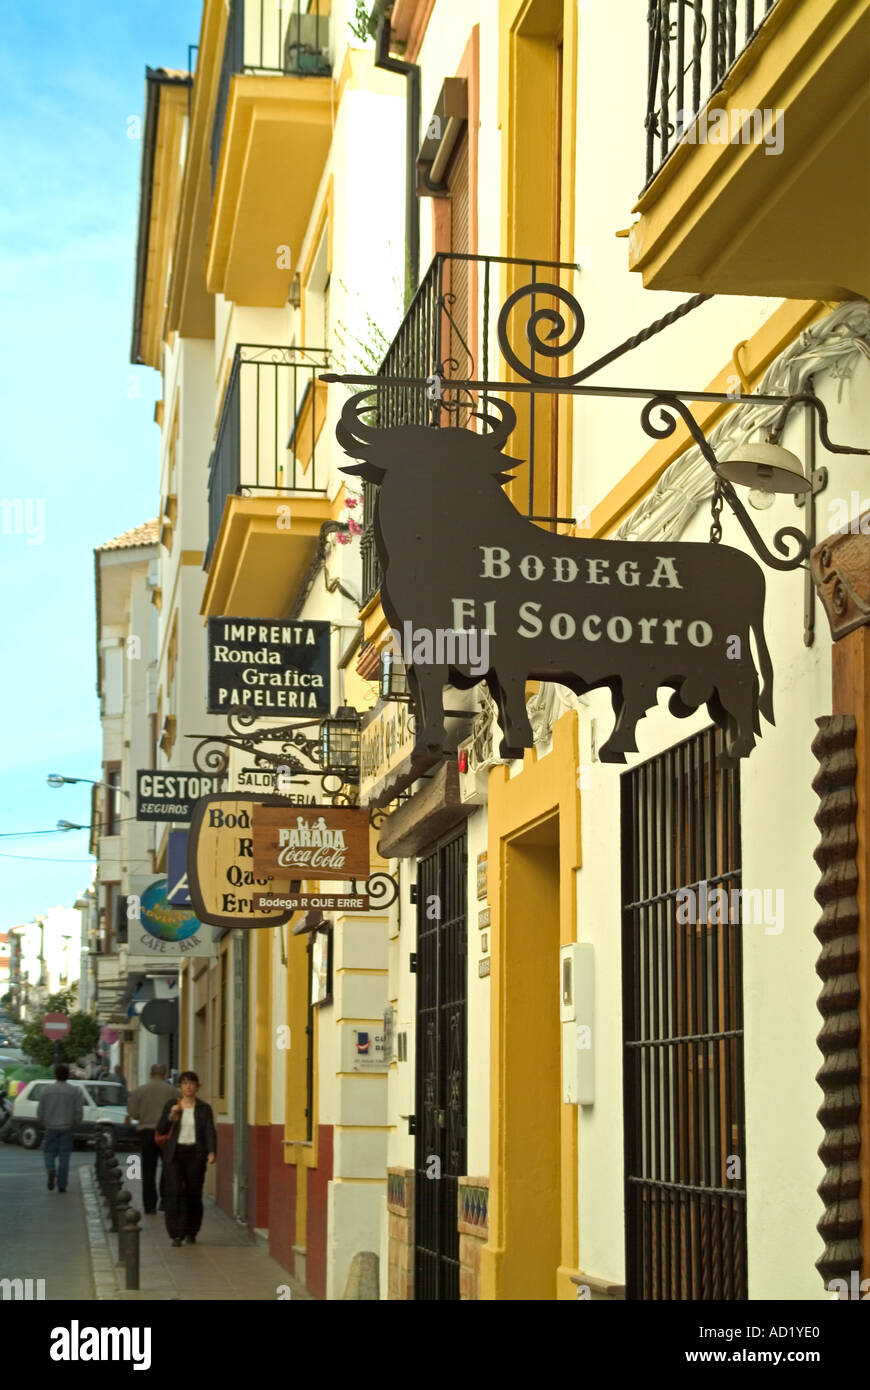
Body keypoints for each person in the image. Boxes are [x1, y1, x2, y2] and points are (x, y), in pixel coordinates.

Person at [155, 1071, 216, 1247]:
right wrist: (170, 1116)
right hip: (175, 1154)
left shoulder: (204, 1108)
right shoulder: (172, 1105)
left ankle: (192, 1230)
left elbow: (209, 1131)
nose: (188, 1087)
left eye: (192, 1083)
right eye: (184, 1083)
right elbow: (161, 1128)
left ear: (197, 1086)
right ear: (180, 1087)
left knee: (193, 1194)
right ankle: (175, 1233)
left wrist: (211, 1151)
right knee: (173, 1192)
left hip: (195, 1154)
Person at [125, 1064, 177, 1215]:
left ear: (150, 1074)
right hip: (166, 1132)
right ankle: (165, 1200)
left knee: (148, 1170)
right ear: (164, 1074)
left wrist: (143, 1115)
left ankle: (149, 1205)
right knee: (168, 1167)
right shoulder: (172, 1091)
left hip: (146, 1131)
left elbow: (133, 1113)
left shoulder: (139, 1091)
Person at [37, 1064, 84, 1193]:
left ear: (55, 1075)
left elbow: (40, 1111)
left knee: (48, 1152)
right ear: (68, 1075)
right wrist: (76, 1123)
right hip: (67, 1127)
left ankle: (51, 1169)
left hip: (51, 1126)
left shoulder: (47, 1090)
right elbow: (78, 1111)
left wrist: (43, 1122)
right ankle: (62, 1184)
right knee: (65, 1157)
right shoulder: (74, 1091)